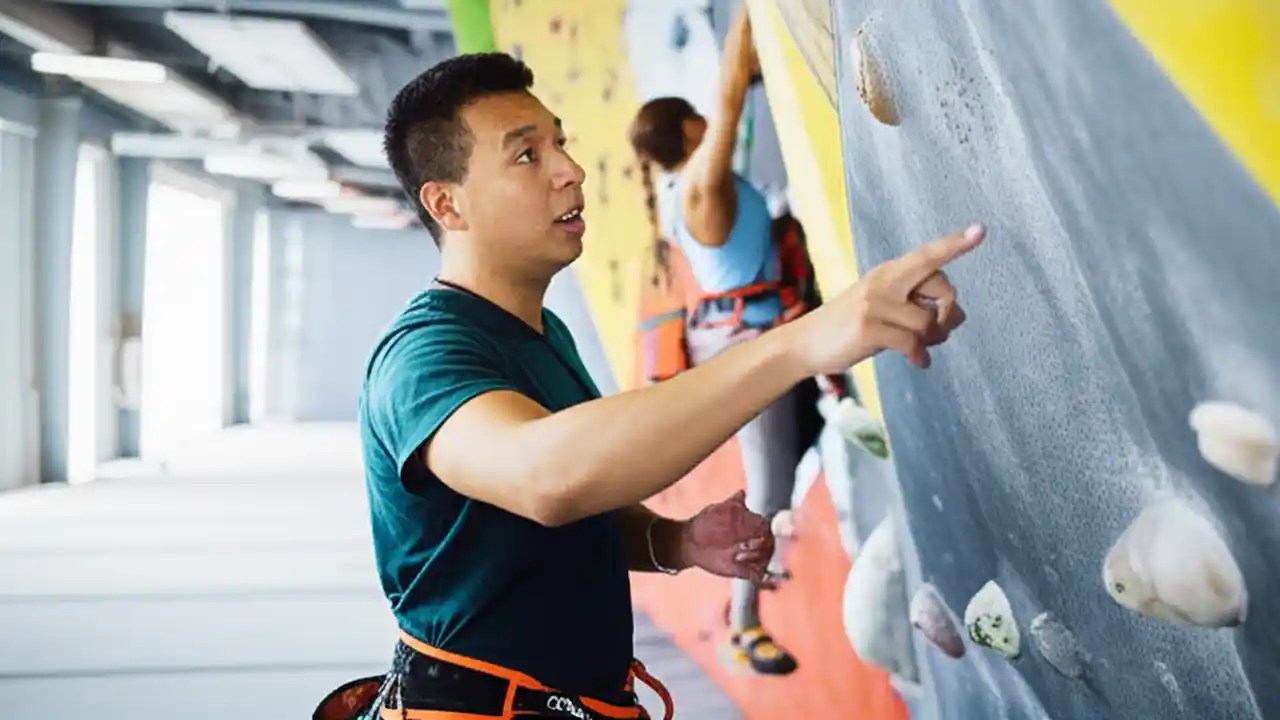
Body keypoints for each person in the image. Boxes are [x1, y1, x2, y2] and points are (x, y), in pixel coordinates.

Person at [344, 43, 984, 720]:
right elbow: (547, 478)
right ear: (446, 203)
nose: (571, 170)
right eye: (527, 155)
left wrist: (674, 541)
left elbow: (546, 521)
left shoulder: (539, 333)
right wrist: (801, 343)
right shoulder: (423, 357)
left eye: (560, 143)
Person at [627, 7, 813, 674]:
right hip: (744, 351)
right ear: (690, 131)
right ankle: (744, 621)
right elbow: (730, 93)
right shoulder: (702, 188)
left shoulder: (692, 190)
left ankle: (747, 604)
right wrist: (751, 15)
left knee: (784, 473)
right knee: (769, 486)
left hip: (749, 336)